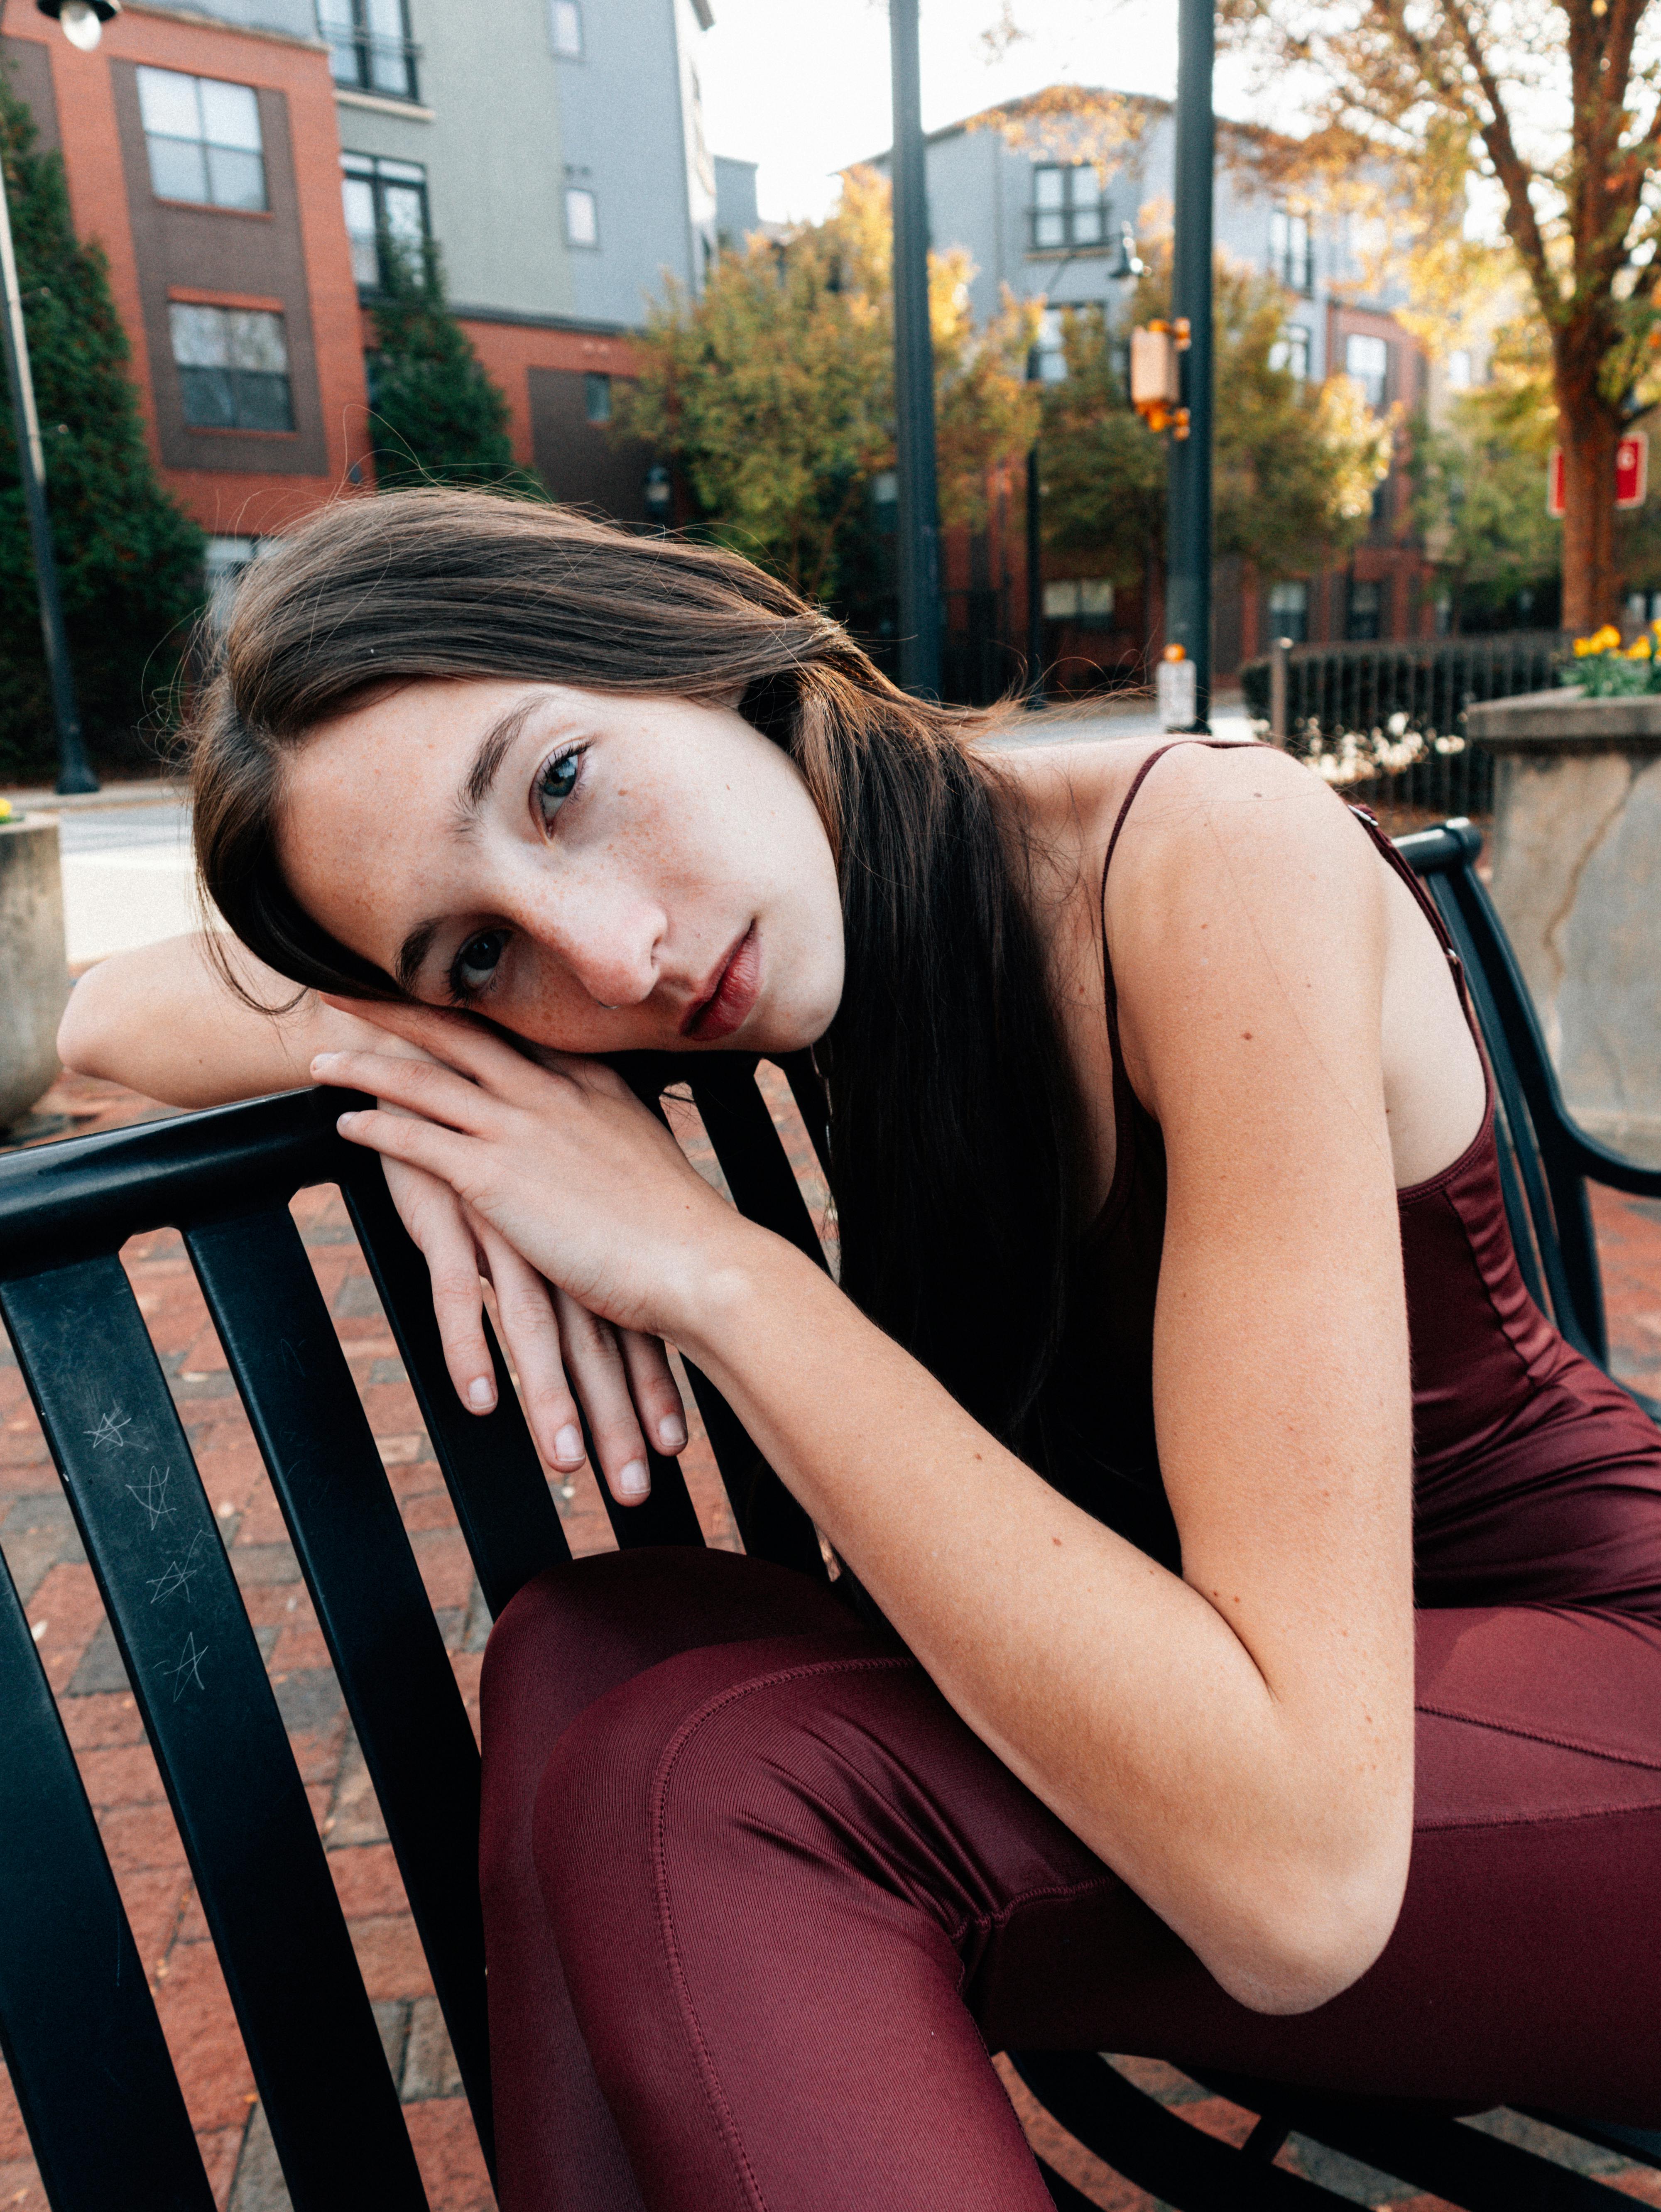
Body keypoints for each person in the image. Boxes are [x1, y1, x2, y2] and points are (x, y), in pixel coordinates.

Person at [62, 489, 1661, 2211]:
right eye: (483, 952)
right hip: (1274, 1726)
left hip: (1566, 1716)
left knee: (720, 1798)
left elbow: (1299, 1881)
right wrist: (417, 1055)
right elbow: (97, 1016)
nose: (615, 955)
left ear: (680, 643)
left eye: (560, 784)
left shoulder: (1212, 854)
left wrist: (715, 1275)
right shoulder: (774, 922)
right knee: (585, 1650)